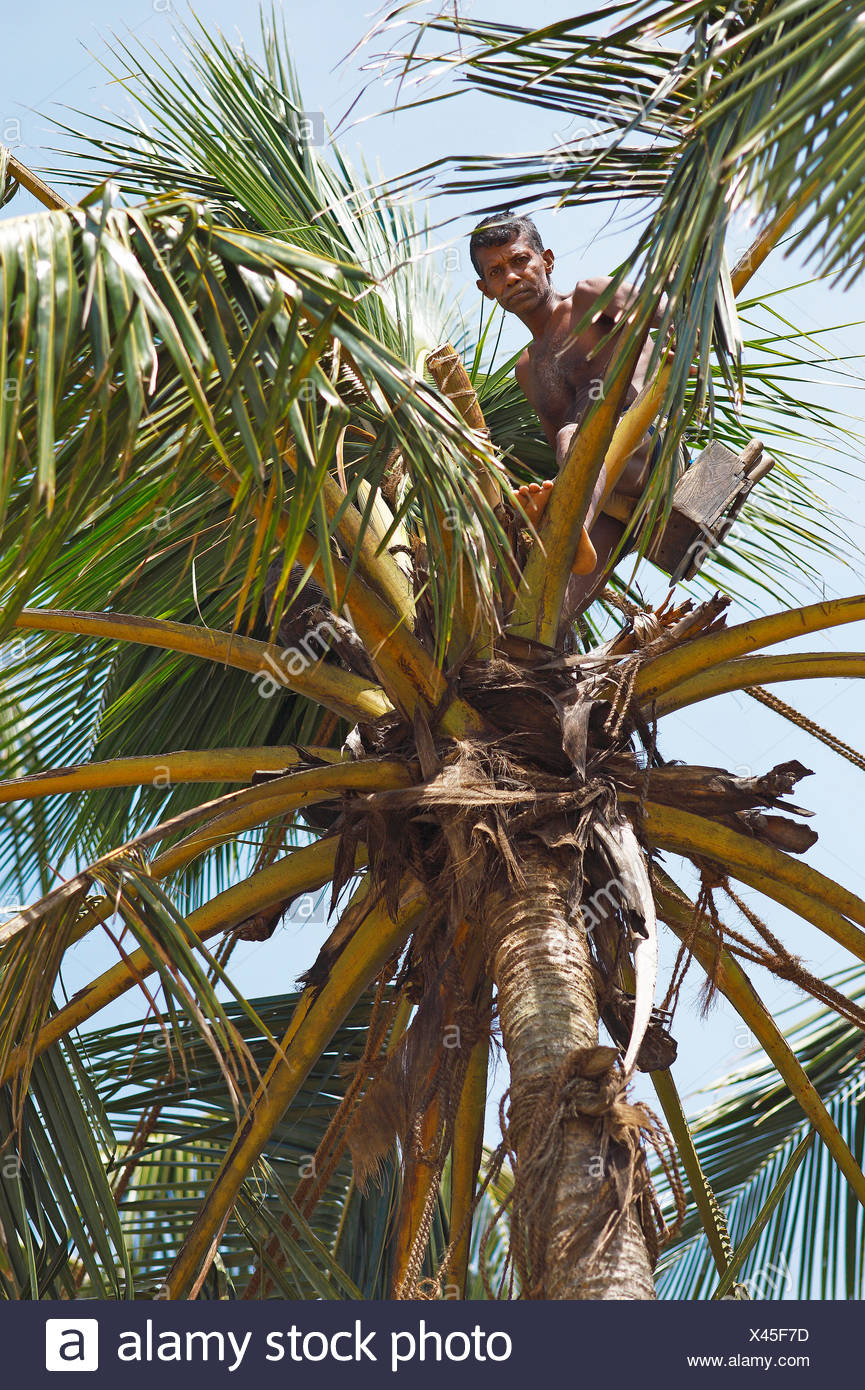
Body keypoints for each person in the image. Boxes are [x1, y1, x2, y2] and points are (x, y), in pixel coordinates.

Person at [470, 211, 669, 611]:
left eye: (520, 260)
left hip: (652, 453)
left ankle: (569, 524)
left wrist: (681, 355)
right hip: (607, 496)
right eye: (496, 272)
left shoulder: (590, 296)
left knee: (570, 436)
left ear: (547, 260)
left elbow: (671, 311)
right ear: (486, 289)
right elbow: (566, 454)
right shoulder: (527, 369)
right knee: (549, 611)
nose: (511, 276)